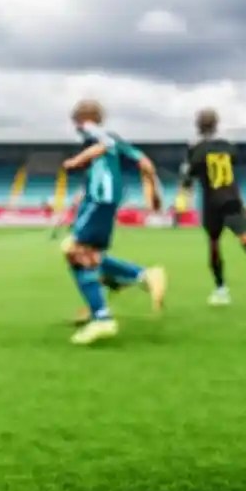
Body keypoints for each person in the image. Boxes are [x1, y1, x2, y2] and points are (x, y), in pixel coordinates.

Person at [62, 99, 167, 345]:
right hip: (104, 199)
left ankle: (103, 316)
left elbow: (104, 145)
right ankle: (137, 279)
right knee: (89, 255)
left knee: (75, 252)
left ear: (81, 120)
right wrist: (154, 193)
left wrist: (76, 162)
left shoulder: (95, 132)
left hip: (100, 199)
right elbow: (146, 165)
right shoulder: (116, 138)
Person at [181, 108, 246, 306]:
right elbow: (233, 160)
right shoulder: (228, 146)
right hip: (232, 199)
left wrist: (187, 169)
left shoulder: (196, 148)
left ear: (198, 126)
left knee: (214, 245)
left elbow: (188, 178)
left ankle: (221, 290)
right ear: (216, 124)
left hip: (212, 202)